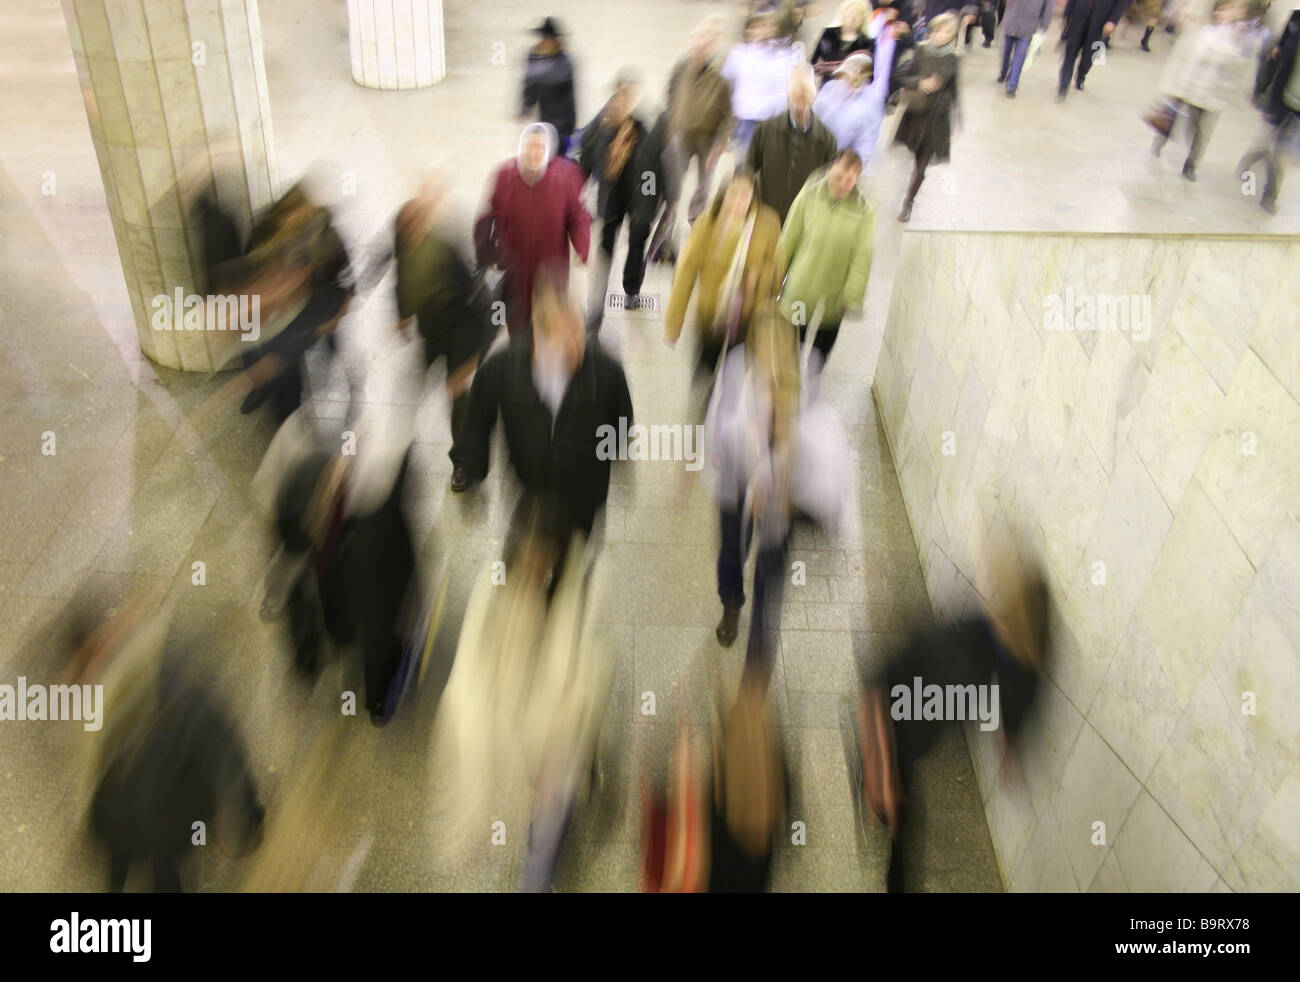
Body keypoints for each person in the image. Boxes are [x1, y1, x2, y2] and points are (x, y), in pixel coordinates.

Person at [851, 559, 1053, 892]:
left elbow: (1018, 688)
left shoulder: (1011, 657)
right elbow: (877, 688)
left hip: (914, 732)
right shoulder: (959, 644)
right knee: (897, 819)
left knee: (899, 821)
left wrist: (1010, 741)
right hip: (890, 727)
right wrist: (883, 776)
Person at [457, 270, 634, 568]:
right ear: (539, 338)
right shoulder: (503, 368)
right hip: (530, 488)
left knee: (573, 557)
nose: (576, 349)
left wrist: (611, 458)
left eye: (578, 335)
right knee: (524, 558)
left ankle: (568, 575)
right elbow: (478, 420)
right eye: (564, 342)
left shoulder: (606, 370)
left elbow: (622, 421)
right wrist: (474, 472)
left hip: (584, 493)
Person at [708, 307, 851, 673]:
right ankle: (731, 601)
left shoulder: (807, 372)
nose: (772, 359)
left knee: (770, 580)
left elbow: (824, 444)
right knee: (732, 551)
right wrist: (746, 457)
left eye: (781, 348)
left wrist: (785, 481)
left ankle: (755, 673)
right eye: (764, 348)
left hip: (785, 497)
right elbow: (719, 424)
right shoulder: (737, 367)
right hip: (737, 483)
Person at [393, 179, 492, 493]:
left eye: (415, 223)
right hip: (431, 333)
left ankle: (463, 462)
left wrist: (471, 357)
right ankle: (398, 450)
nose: (409, 231)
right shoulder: (403, 244)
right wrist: (403, 317)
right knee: (412, 387)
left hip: (460, 334)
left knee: (457, 398)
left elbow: (478, 302)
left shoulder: (444, 251)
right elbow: (401, 280)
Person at [577, 70, 677, 329]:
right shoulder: (602, 124)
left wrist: (666, 201)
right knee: (605, 252)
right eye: (620, 94)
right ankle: (596, 310)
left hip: (641, 201)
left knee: (636, 246)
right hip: (611, 201)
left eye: (629, 95)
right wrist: (575, 191)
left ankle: (631, 289)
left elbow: (664, 166)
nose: (624, 100)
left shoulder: (649, 126)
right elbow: (585, 158)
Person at [474, 123, 591, 340]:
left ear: (548, 151)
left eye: (540, 147)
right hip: (514, 272)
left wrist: (582, 246)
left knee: (547, 329)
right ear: (521, 148)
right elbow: (486, 216)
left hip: (550, 274)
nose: (534, 153)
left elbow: (578, 215)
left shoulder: (566, 177)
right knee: (516, 326)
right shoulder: (504, 176)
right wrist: (486, 253)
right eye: (529, 146)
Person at [665, 169, 785, 377]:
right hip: (710, 319)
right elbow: (686, 272)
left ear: (753, 196)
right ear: (724, 194)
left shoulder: (768, 223)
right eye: (733, 193)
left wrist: (758, 277)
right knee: (703, 375)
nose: (738, 201)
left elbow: (777, 269)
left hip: (746, 322)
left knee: (734, 379)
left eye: (745, 195)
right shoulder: (707, 222)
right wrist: (674, 322)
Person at [778, 149, 876, 364]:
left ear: (857, 179)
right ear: (831, 169)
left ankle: (811, 380)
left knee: (819, 355)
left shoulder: (864, 213)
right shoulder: (808, 195)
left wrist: (852, 297)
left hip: (832, 301)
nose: (843, 185)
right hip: (799, 292)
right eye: (839, 177)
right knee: (790, 348)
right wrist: (775, 276)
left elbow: (862, 258)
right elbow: (788, 239)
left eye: (850, 180)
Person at [1153, 0, 1260, 180]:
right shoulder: (1201, 31)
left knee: (1203, 133)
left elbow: (1242, 70)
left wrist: (1241, 96)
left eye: (1238, 10)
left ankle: (1191, 165)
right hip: (1188, 87)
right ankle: (1160, 141)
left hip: (1214, 95)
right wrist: (1174, 87)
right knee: (1173, 118)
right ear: (1219, 10)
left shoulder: (1242, 39)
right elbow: (1183, 58)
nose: (1234, 13)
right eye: (1230, 8)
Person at [746, 64, 840, 222]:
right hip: (765, 216)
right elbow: (747, 169)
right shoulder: (765, 130)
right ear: (788, 97)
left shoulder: (827, 140)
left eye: (805, 100)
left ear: (814, 98)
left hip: (801, 220)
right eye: (796, 99)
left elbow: (828, 187)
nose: (800, 107)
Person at [667, 15, 736, 224]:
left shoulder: (724, 71)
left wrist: (723, 140)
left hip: (709, 138)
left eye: (712, 36)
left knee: (704, 184)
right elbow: (670, 92)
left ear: (716, 41)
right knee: (674, 180)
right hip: (682, 134)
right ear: (694, 38)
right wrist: (673, 120)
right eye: (702, 35)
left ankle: (696, 222)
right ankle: (668, 220)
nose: (705, 41)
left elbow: (731, 110)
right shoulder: (682, 65)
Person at [894, 12, 962, 222]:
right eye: (939, 30)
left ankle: (908, 202)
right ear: (932, 31)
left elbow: (954, 90)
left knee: (921, 165)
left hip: (937, 118)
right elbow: (902, 77)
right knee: (915, 152)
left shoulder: (954, 58)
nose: (942, 35)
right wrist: (920, 83)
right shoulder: (922, 51)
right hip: (916, 114)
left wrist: (955, 122)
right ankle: (914, 177)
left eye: (948, 32)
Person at [1240, 5, 1300, 213]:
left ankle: (1270, 196)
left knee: (1281, 153)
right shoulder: (1297, 21)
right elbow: (1280, 65)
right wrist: (1268, 99)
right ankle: (1247, 162)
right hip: (1283, 100)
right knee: (1266, 142)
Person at [722, 12, 807, 152]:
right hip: (747, 118)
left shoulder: (783, 55)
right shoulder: (738, 54)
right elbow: (726, 83)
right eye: (757, 27)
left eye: (767, 26)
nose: (763, 30)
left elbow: (787, 87)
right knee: (746, 159)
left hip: (774, 120)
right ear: (749, 30)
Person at [813, 42, 896, 168]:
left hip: (840, 158)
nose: (848, 78)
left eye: (856, 72)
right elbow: (814, 114)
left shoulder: (872, 100)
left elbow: (869, 135)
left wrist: (859, 162)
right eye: (847, 71)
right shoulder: (830, 87)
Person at [521, 16, 577, 154]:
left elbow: (556, 80)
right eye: (544, 38)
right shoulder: (536, 58)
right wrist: (526, 106)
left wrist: (536, 63)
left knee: (556, 154)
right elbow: (529, 85)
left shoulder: (565, 61)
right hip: (544, 118)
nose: (545, 41)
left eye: (548, 38)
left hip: (563, 122)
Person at [1058, 0, 1132, 100]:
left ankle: (1081, 75)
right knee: (1070, 51)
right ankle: (1064, 84)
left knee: (1089, 55)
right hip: (1078, 16)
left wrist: (1113, 21)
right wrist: (1067, 13)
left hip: (1101, 22)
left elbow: (1122, 3)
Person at [999, 0, 1055, 96]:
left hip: (1027, 27)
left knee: (1019, 57)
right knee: (1006, 52)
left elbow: (1048, 8)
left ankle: (1012, 86)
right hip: (1010, 21)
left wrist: (1044, 26)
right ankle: (1004, 72)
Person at [812, 0, 874, 80]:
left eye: (858, 15)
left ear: (863, 19)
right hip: (826, 83)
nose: (853, 18)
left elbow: (868, 74)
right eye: (851, 13)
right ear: (843, 13)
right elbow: (813, 60)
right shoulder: (829, 33)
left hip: (851, 85)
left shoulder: (867, 43)